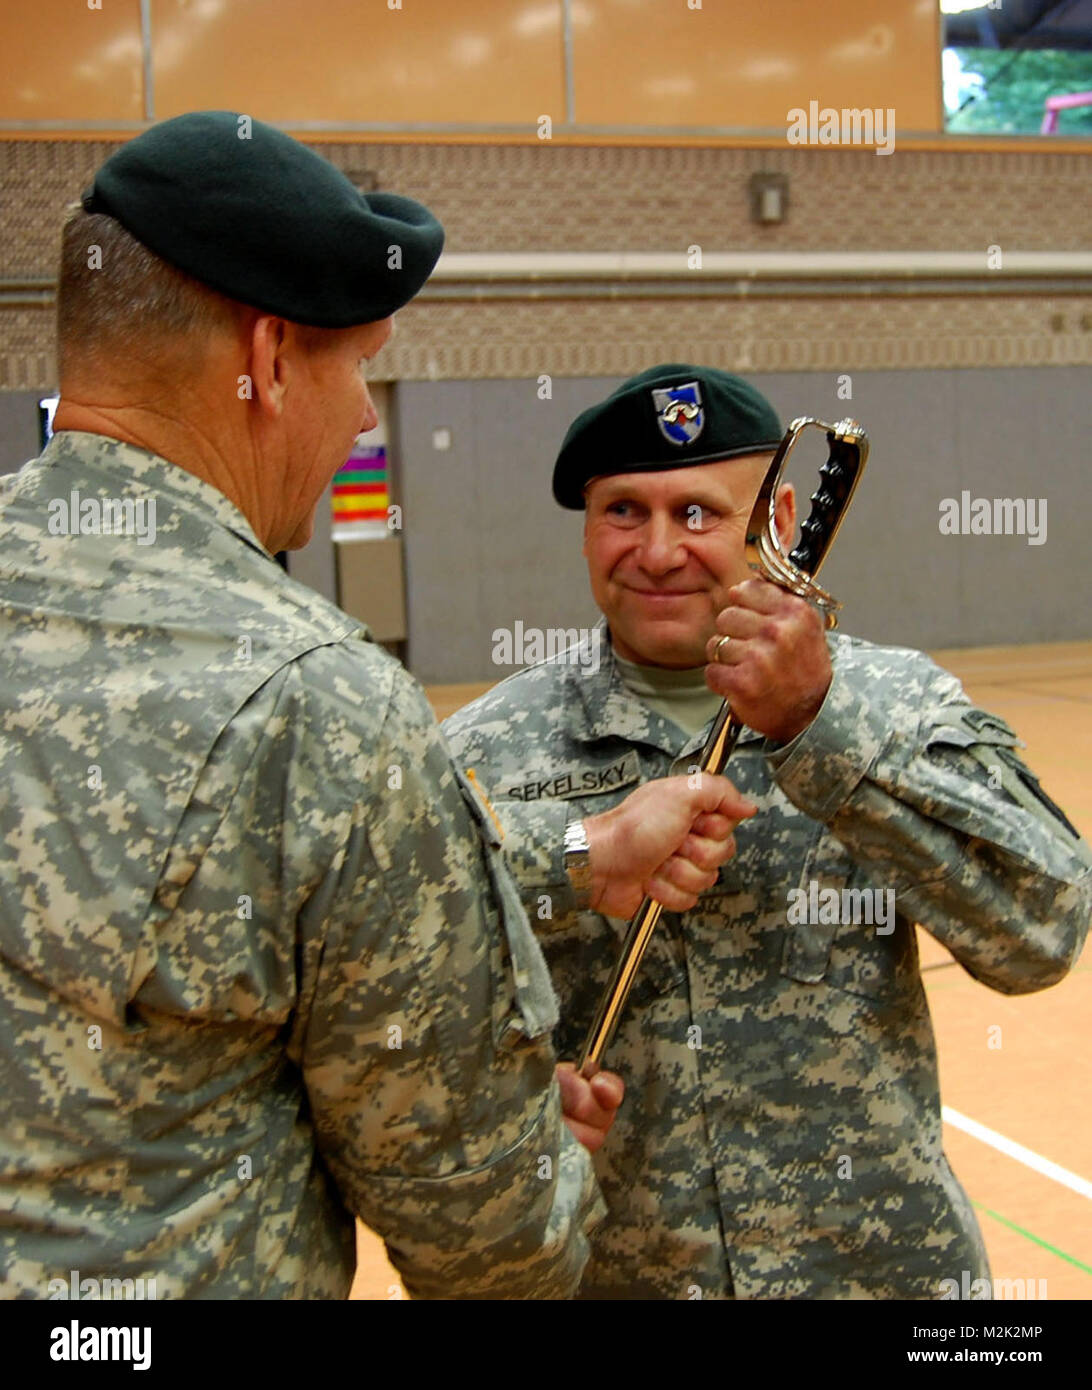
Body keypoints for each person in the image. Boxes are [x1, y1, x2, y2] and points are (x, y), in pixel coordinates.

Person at [0, 123, 750, 1301]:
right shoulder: (315, 699)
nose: (361, 418)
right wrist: (547, 1170)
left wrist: (578, 853)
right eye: (359, 367)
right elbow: (482, 1241)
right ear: (273, 355)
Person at [443, 363, 1092, 1300]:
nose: (659, 551)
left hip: (880, 1278)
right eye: (624, 511)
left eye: (701, 514)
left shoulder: (895, 706)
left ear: (782, 520)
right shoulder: (481, 753)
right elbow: (406, 1003)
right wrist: (504, 1121)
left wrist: (819, 728)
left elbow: (1044, 930)